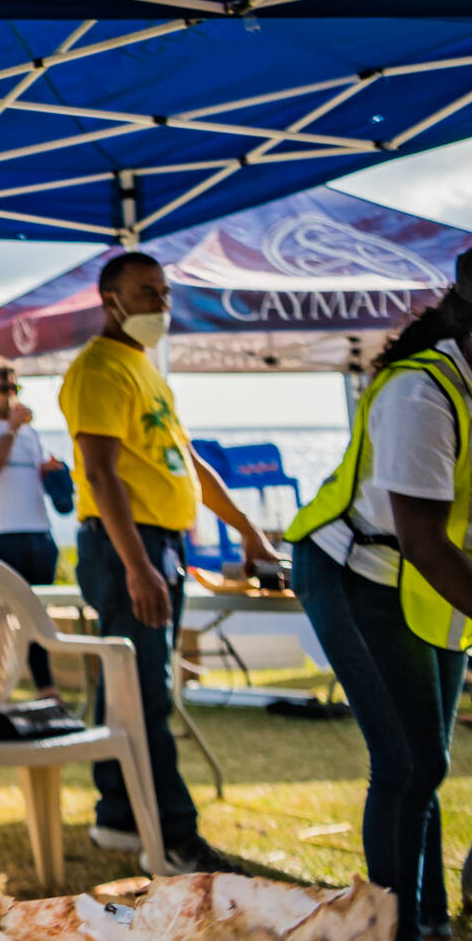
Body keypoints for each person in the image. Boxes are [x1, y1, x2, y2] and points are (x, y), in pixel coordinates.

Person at [283, 239, 472, 941]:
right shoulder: (420, 394)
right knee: (408, 763)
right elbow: (425, 543)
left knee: (426, 767)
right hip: (359, 574)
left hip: (439, 585)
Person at [61, 250, 280, 874]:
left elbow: (188, 464)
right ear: (111, 301)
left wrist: (249, 532)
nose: (161, 304)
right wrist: (137, 565)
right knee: (147, 692)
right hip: (126, 543)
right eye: (147, 293)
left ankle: (119, 819)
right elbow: (101, 475)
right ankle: (176, 839)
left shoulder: (143, 367)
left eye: (163, 292)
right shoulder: (97, 370)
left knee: (126, 690)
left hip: (157, 544)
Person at [0, 360, 67, 695]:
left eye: (15, 388)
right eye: (3, 388)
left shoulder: (31, 434)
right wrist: (11, 430)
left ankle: (45, 688)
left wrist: (52, 471)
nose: (10, 395)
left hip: (37, 534)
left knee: (38, 616)